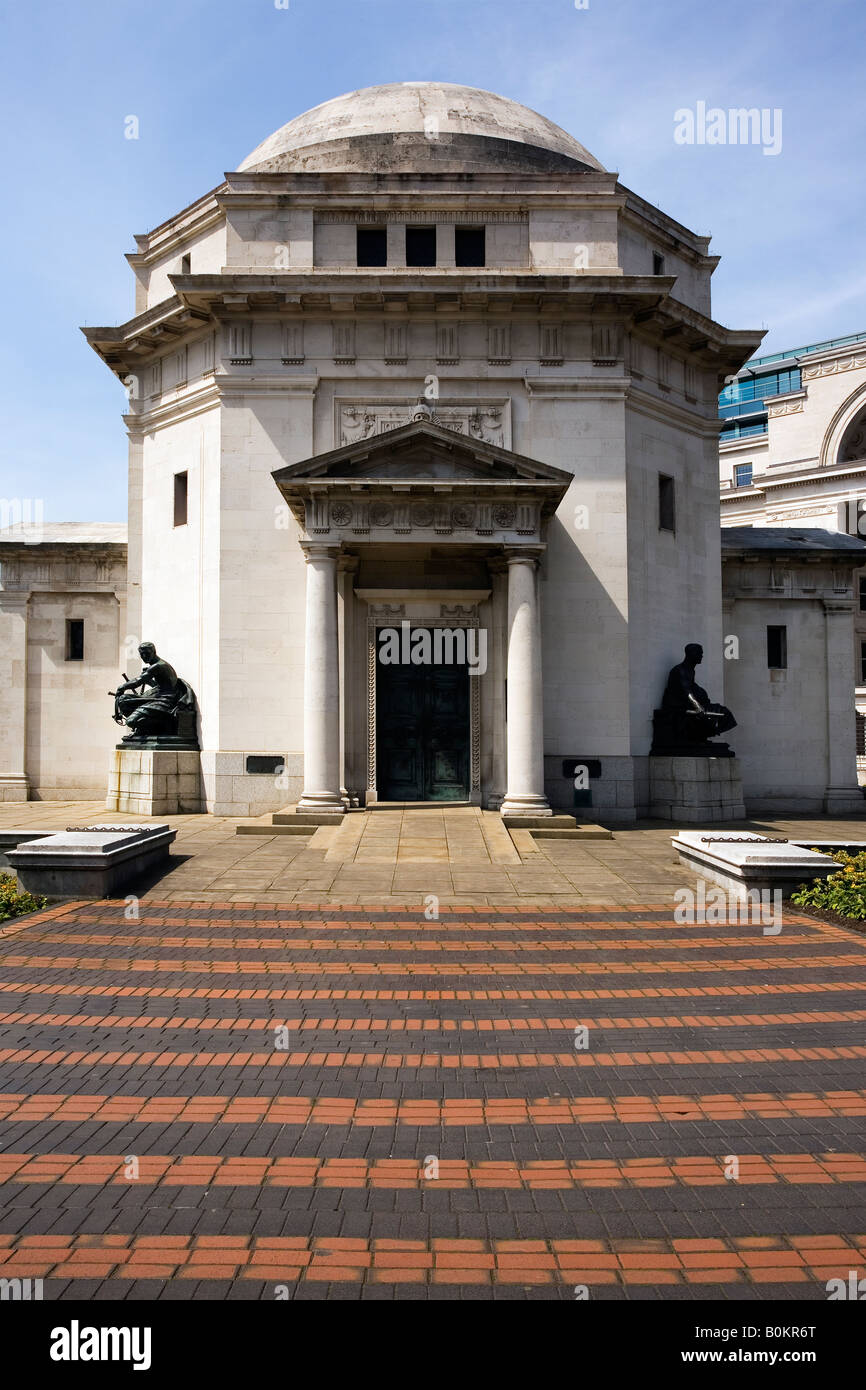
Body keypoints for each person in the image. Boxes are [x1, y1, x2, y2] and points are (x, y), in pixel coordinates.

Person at [660, 643, 736, 743]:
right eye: (700, 653)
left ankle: (710, 732)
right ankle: (703, 735)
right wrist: (699, 707)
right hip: (678, 707)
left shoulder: (690, 670)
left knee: (724, 711)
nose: (702, 656)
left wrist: (701, 693)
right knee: (713, 713)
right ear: (692, 654)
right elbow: (687, 692)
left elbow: (692, 686)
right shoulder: (680, 670)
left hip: (688, 704)